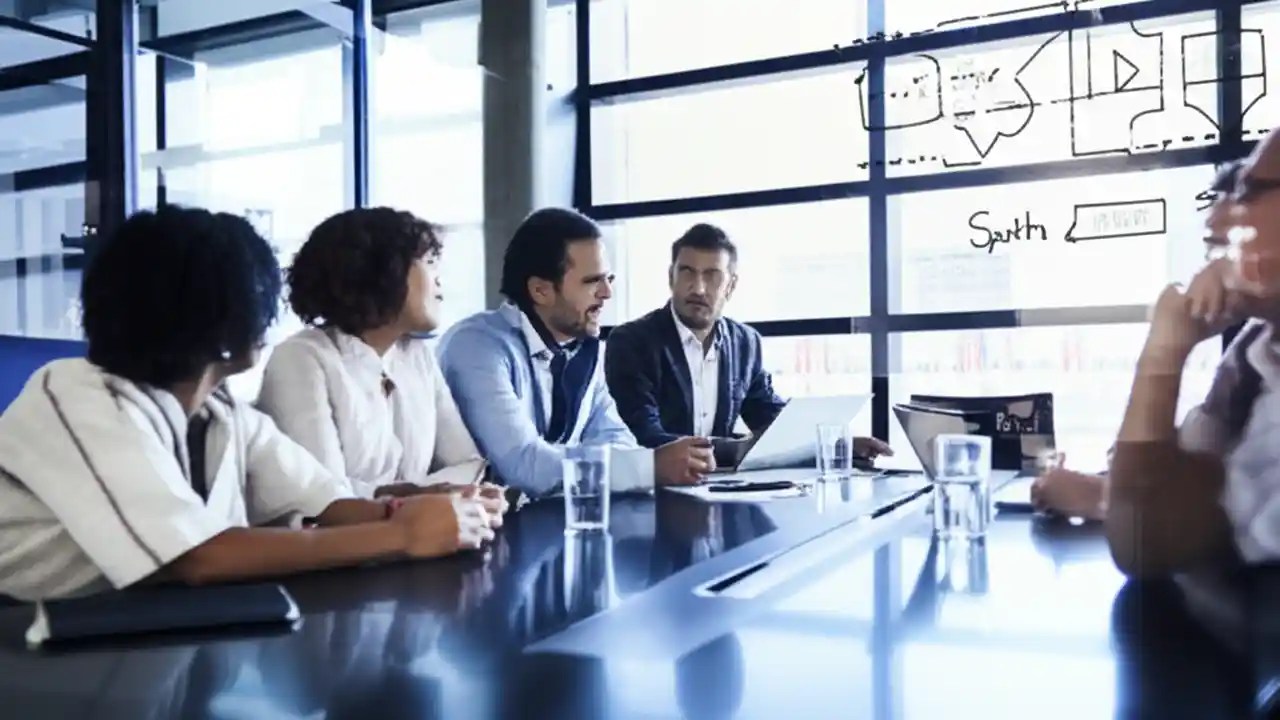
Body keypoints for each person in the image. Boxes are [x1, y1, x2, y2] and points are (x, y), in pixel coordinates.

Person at [0, 206, 497, 602]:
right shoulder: (75, 395)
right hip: (30, 642)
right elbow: (199, 557)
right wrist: (403, 534)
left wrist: (430, 510)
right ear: (219, 315)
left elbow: (328, 502)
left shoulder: (222, 414)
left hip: (145, 631)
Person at [436, 207, 714, 497]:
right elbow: (524, 466)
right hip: (480, 534)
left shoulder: (584, 351)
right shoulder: (476, 348)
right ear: (541, 291)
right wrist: (649, 466)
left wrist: (607, 466)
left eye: (609, 279)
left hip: (553, 527)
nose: (607, 293)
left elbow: (617, 441)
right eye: (592, 281)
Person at [1032, 160, 1250, 525]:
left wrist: (1099, 500)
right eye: (1210, 253)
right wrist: (1116, 479)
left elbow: (1241, 528)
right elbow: (1198, 464)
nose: (1205, 272)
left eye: (1224, 248)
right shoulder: (1253, 351)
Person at [1107, 139, 1280, 577]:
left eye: (1246, 193)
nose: (1220, 219)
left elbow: (1149, 540)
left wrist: (1165, 350)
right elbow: (1151, 531)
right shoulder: (1259, 357)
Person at [258, 208, 496, 501]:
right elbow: (320, 498)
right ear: (384, 271)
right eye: (430, 262)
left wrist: (434, 496)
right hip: (338, 544)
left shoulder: (416, 356)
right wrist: (422, 497)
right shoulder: (301, 358)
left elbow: (467, 463)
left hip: (422, 537)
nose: (439, 281)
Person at [603, 223, 893, 460]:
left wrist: (836, 444)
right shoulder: (631, 341)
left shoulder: (745, 342)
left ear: (731, 286)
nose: (698, 288)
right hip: (653, 496)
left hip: (720, 492)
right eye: (687, 273)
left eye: (712, 276)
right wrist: (735, 448)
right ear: (671, 277)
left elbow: (768, 417)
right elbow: (643, 436)